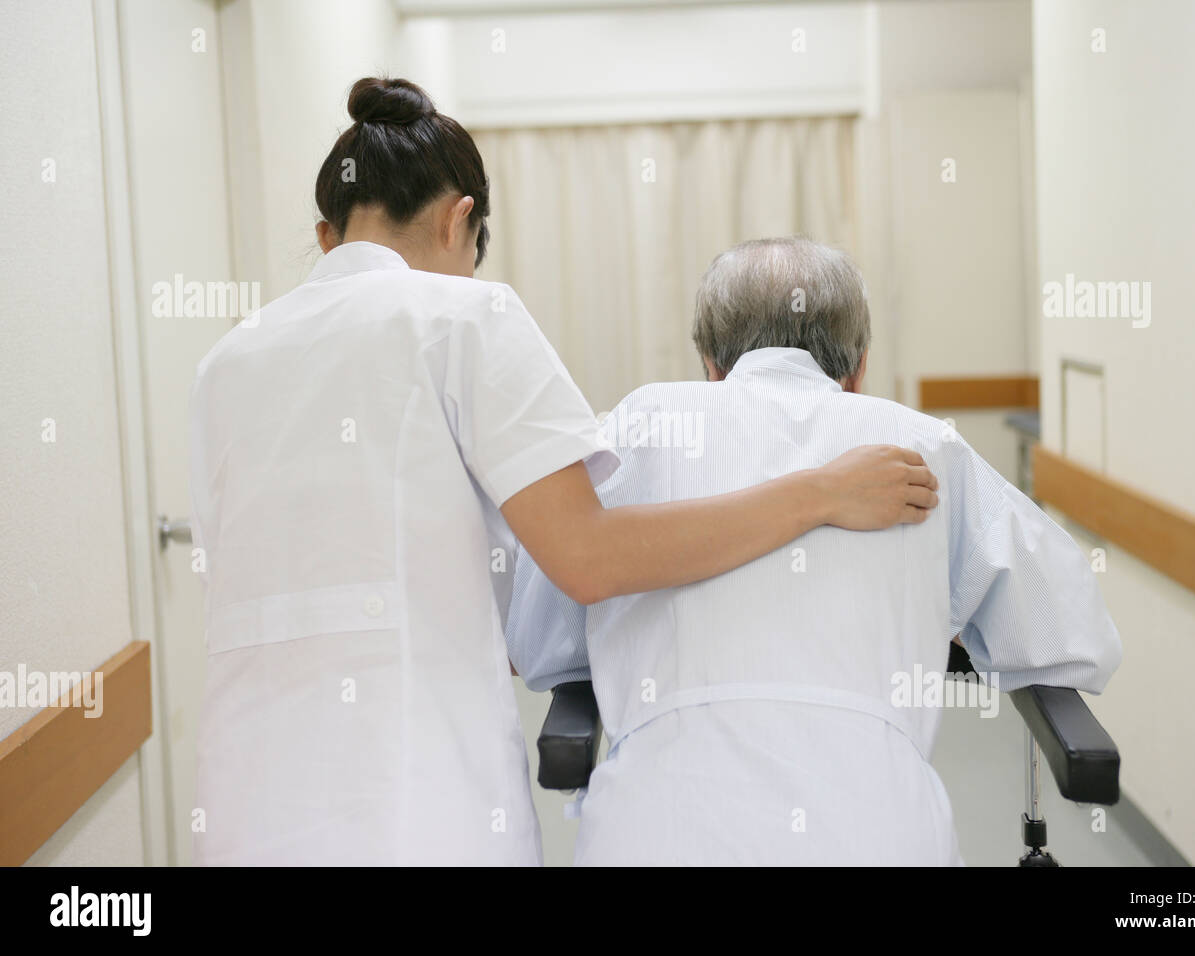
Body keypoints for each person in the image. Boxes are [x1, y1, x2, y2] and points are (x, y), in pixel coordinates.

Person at [187, 81, 939, 866]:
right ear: (460, 219)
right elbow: (591, 559)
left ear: (326, 231)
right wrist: (820, 492)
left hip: (246, 794)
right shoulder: (464, 318)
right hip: (414, 796)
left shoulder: (224, 363)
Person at [507, 236, 1122, 865]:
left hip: (658, 829)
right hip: (875, 831)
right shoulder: (920, 449)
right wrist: (950, 615)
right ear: (857, 367)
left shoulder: (635, 425)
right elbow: (1067, 636)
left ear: (709, 365)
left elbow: (541, 640)